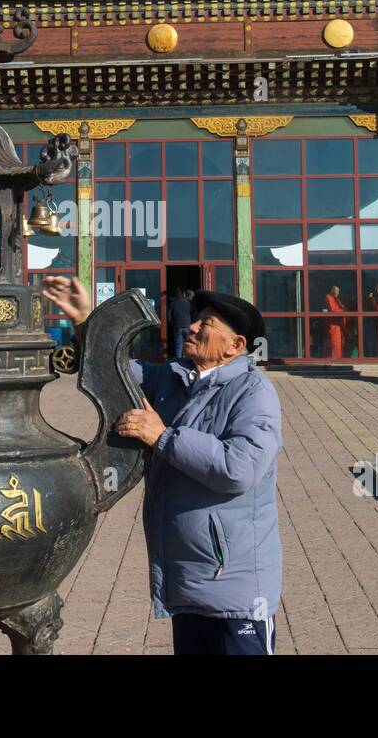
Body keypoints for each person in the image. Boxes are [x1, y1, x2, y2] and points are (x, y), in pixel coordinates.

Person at [42, 276, 283, 655]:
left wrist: (164, 436)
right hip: (186, 585)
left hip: (235, 593)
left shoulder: (254, 393)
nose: (193, 325)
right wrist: (87, 321)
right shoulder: (172, 377)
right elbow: (115, 371)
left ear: (235, 346)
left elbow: (239, 469)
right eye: (197, 318)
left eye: (207, 324)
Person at [322, 284, 348, 359]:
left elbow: (342, 307)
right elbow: (333, 310)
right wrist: (342, 311)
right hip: (333, 325)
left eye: (338, 291)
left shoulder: (336, 299)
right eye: (336, 291)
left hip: (338, 325)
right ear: (331, 291)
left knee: (338, 345)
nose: (337, 292)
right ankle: (334, 361)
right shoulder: (329, 297)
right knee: (334, 345)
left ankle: (338, 359)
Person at [167, 287, 193, 358]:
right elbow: (192, 313)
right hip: (187, 326)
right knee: (187, 345)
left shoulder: (173, 303)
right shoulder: (188, 303)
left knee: (178, 347)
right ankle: (186, 361)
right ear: (183, 294)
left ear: (176, 294)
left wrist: (173, 324)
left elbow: (169, 317)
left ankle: (178, 364)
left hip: (177, 327)